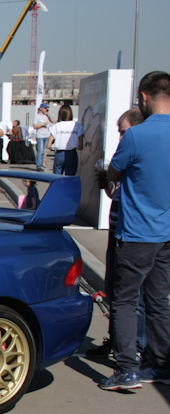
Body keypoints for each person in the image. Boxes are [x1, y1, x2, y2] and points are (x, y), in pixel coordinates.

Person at [99, 71, 170, 389]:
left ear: (143, 97)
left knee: (125, 300)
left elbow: (114, 171)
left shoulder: (137, 136)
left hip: (137, 231)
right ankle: (162, 365)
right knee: (158, 301)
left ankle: (127, 368)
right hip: (166, 232)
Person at [88, 108, 147, 360]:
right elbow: (117, 193)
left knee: (134, 296)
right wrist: (105, 183)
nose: (121, 137)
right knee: (114, 290)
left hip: (133, 234)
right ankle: (117, 341)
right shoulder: (126, 153)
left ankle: (137, 347)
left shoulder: (140, 154)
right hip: (117, 229)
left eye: (123, 132)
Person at [48, 105, 84, 176]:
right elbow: (81, 146)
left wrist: (53, 146)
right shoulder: (77, 126)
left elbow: (48, 145)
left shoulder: (56, 126)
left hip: (59, 153)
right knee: (70, 177)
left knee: (57, 177)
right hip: (72, 153)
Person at [33, 102, 53, 171]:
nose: (45, 109)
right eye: (44, 108)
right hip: (40, 135)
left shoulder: (46, 116)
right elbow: (34, 126)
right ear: (41, 108)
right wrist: (42, 124)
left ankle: (41, 164)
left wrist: (49, 113)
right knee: (40, 150)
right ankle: (38, 165)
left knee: (44, 151)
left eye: (46, 108)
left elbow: (53, 120)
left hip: (46, 135)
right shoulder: (37, 116)